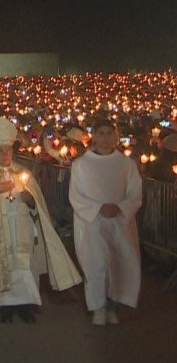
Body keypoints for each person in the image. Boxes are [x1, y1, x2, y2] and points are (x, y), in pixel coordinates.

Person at [0, 118, 81, 323]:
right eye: (1, 151)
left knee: (24, 266)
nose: (5, 155)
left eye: (8, 151)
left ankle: (26, 304)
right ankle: (5, 307)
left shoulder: (22, 173)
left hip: (21, 227)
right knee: (4, 265)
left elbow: (37, 204)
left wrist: (30, 201)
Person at [69, 120, 143, 325]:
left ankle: (112, 306)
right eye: (101, 133)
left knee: (117, 265)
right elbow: (76, 196)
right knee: (97, 264)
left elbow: (135, 192)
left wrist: (119, 207)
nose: (105, 137)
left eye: (109, 133)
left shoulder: (126, 164)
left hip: (119, 223)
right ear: (94, 136)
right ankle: (98, 307)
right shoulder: (81, 164)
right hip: (93, 223)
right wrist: (99, 208)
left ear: (116, 136)